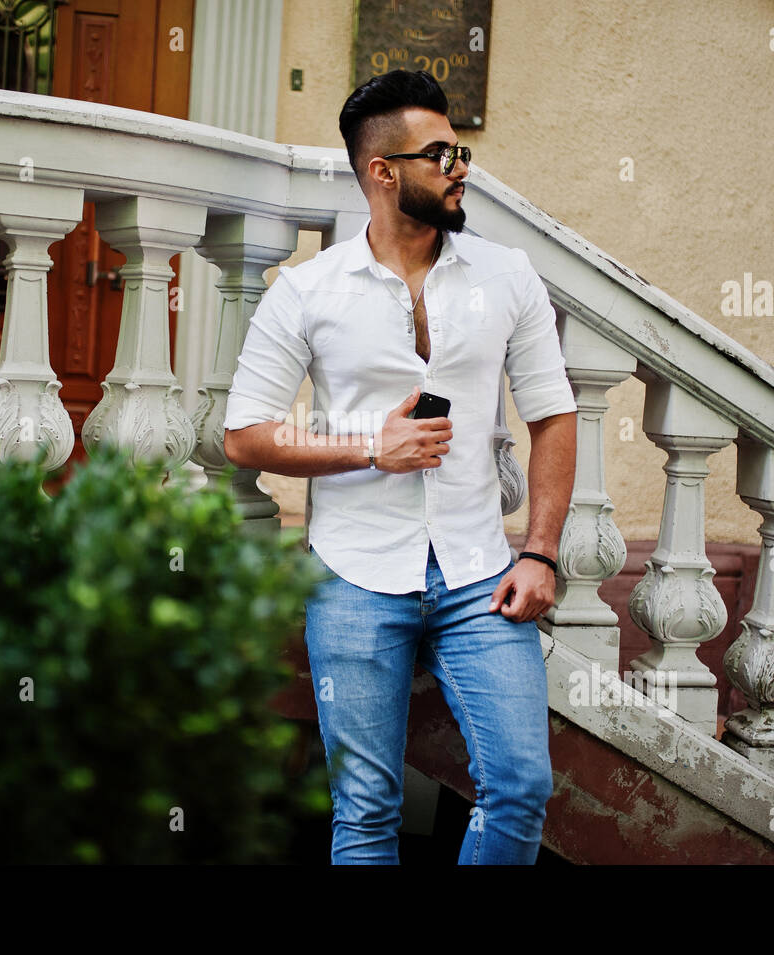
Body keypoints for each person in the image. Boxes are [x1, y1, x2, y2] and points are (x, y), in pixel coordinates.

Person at [222, 69, 578, 865]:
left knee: (520, 785)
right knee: (365, 809)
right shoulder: (306, 293)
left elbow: (554, 414)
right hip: (352, 573)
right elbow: (242, 435)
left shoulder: (507, 275)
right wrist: (366, 447)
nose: (460, 167)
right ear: (382, 172)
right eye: (440, 154)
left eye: (461, 150)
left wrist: (542, 549)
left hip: (483, 574)